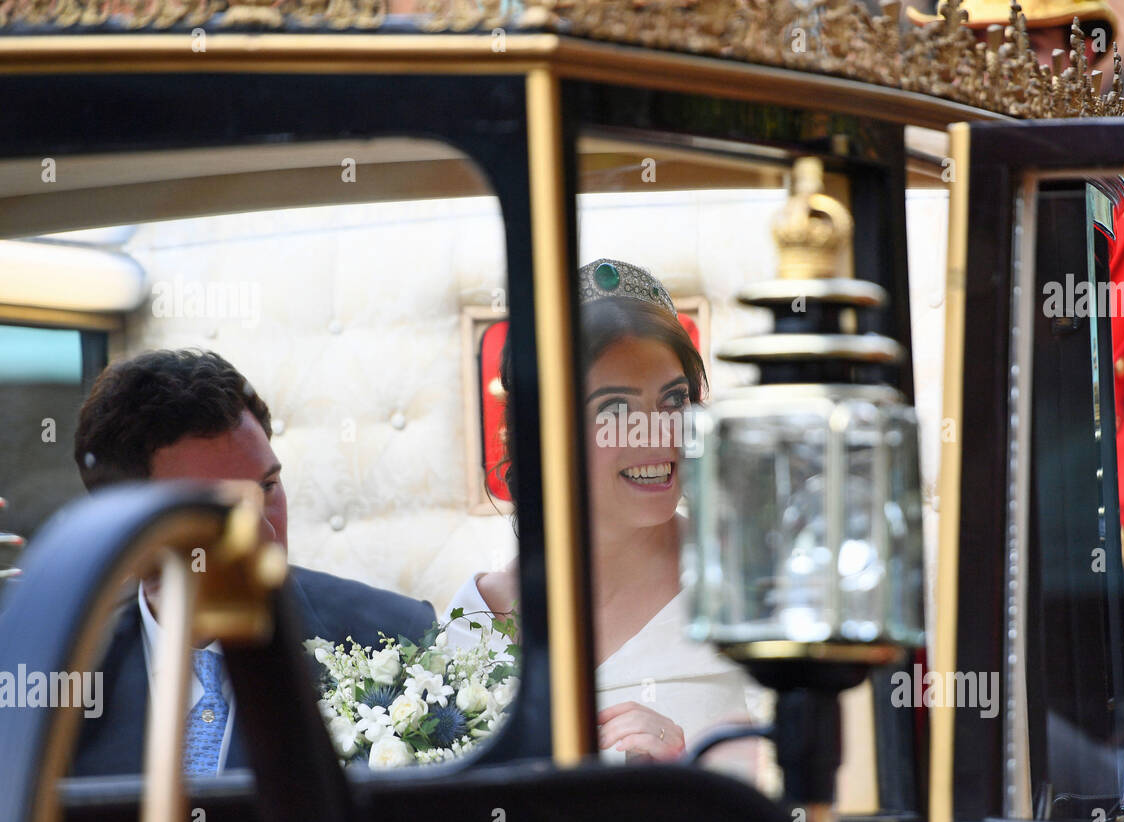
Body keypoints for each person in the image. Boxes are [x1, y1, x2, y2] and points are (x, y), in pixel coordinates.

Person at [912, 0, 1124, 596]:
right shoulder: (916, 212)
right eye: (980, 50)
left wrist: (1067, 579)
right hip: (921, 567)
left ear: (1088, 56)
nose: (1000, 73)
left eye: (1027, 47)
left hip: (1079, 595)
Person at [443, 258, 762, 765]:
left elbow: (823, 794)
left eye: (673, 401)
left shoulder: (752, 583)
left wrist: (689, 775)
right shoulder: (476, 623)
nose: (657, 434)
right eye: (615, 409)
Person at [69, 349, 438, 776]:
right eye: (218, 505)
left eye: (267, 486)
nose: (262, 530)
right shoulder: (51, 686)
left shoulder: (400, 642)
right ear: (127, 524)